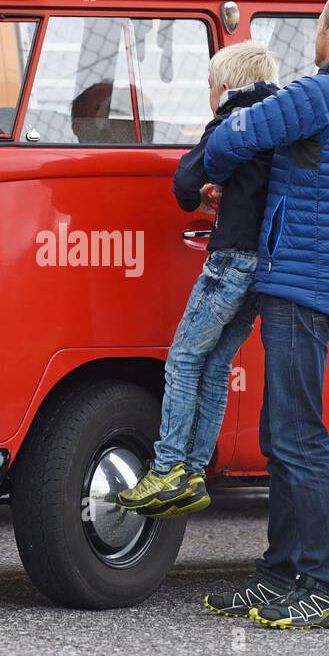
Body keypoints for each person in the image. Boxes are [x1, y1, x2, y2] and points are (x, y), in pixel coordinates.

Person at [200, 0, 329, 629]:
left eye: (318, 28)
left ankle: (324, 581)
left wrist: (212, 158)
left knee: (299, 437)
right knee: (283, 434)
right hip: (323, 282)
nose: (314, 40)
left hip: (296, 281)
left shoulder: (323, 94)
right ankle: (278, 575)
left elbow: (237, 133)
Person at [116, 41, 280, 518]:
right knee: (216, 364)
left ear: (225, 87)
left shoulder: (233, 115)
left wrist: (204, 192)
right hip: (262, 265)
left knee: (185, 359)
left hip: (229, 261)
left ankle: (167, 468)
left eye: (209, 88)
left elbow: (185, 183)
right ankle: (192, 470)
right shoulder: (278, 122)